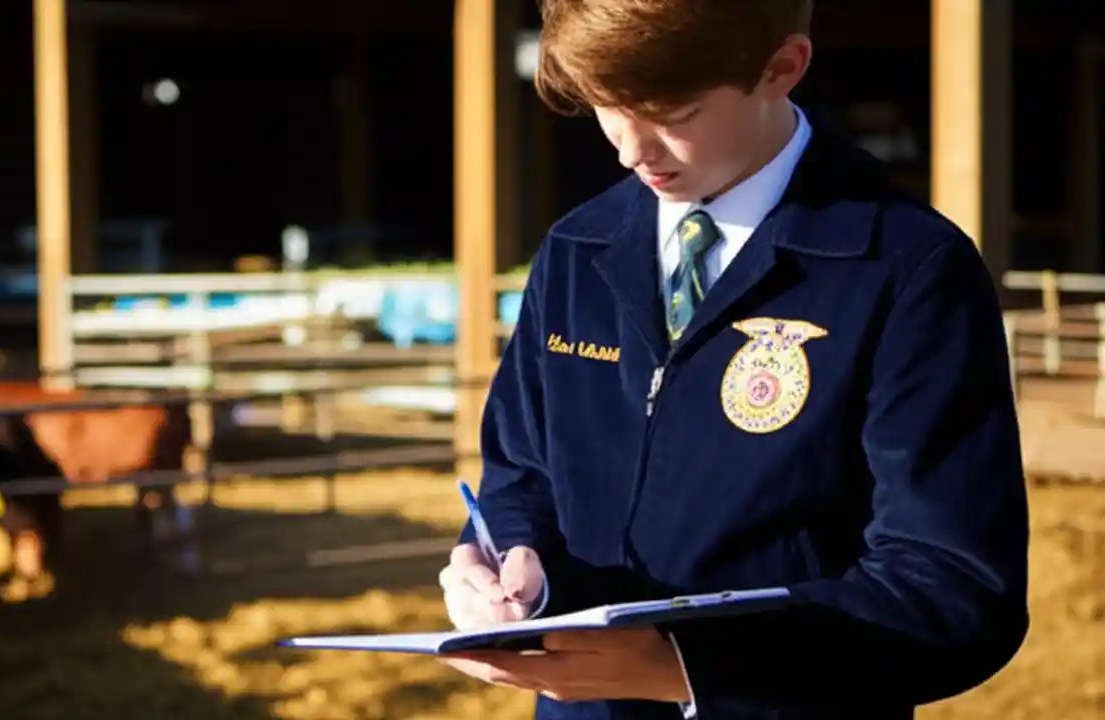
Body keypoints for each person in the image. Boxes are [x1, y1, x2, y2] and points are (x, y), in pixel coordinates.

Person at [435, 1, 1030, 718]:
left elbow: (953, 586)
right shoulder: (575, 251)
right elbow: (521, 476)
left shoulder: (907, 270)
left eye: (672, 112)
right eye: (604, 106)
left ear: (783, 67)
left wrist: (688, 668)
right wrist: (502, 559)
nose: (629, 148)